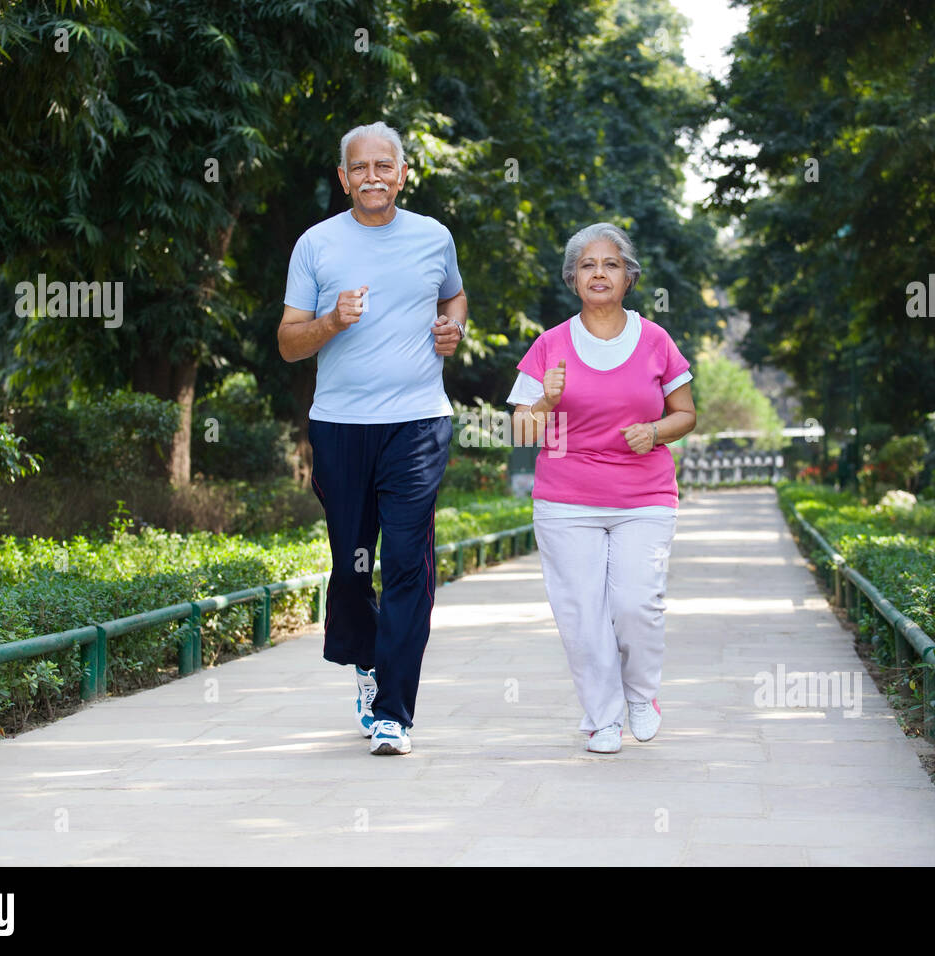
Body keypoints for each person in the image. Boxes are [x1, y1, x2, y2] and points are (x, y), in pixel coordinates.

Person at [277, 122, 467, 756]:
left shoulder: (433, 237)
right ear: (344, 178)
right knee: (352, 564)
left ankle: (394, 712)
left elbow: (455, 298)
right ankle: (366, 662)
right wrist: (333, 319)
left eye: (384, 166)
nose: (372, 177)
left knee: (409, 562)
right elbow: (287, 341)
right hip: (340, 426)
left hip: (418, 421)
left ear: (402, 173)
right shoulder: (317, 244)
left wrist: (451, 329)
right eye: (360, 168)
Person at [509, 222, 696, 753]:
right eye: (587, 265)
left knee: (637, 603)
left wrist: (656, 431)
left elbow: (686, 414)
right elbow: (522, 430)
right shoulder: (549, 345)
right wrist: (545, 401)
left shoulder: (656, 340)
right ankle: (602, 717)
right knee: (582, 614)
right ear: (573, 279)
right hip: (566, 500)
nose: (599, 273)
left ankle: (642, 696)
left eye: (610, 264)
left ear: (628, 277)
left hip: (645, 496)